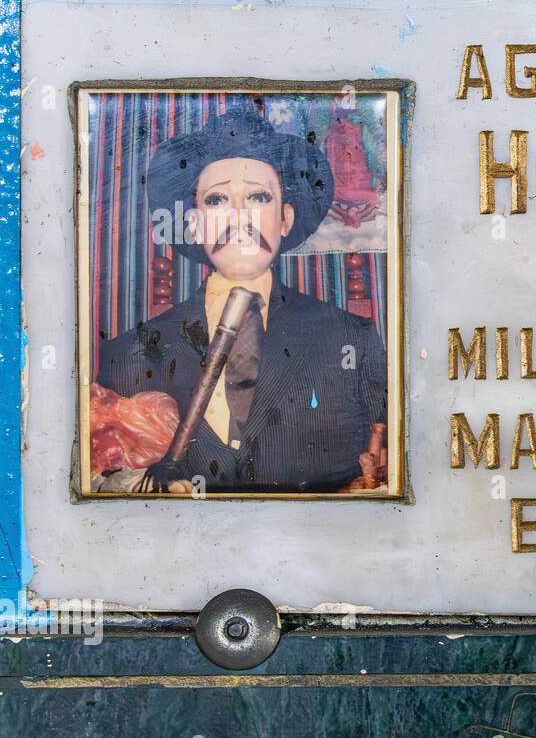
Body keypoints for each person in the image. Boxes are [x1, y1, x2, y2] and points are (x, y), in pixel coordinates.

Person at [94, 109, 388, 493]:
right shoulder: (126, 356)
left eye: (257, 197)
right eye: (217, 200)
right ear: (195, 224)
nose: (238, 215)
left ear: (285, 219)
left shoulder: (355, 339)